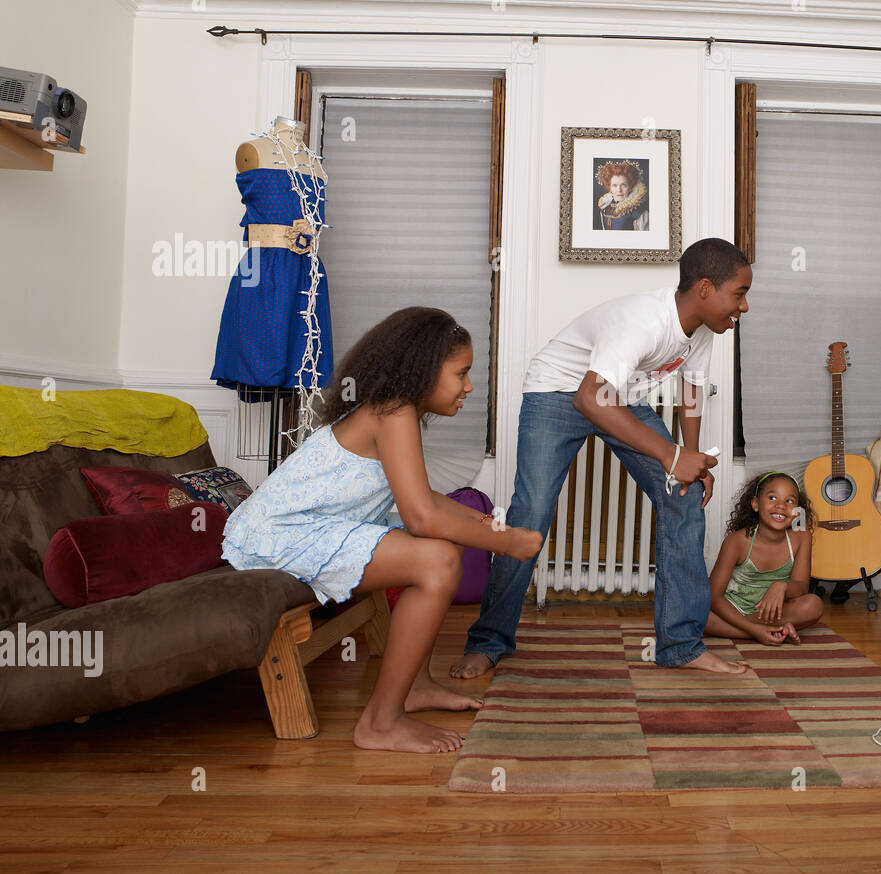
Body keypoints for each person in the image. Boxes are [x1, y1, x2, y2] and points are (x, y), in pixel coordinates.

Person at [222, 308, 543, 754]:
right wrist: (509, 543)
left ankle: (416, 686)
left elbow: (426, 500)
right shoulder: (392, 411)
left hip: (316, 527)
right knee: (439, 558)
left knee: (442, 544)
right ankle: (380, 722)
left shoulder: (394, 409)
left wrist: (487, 525)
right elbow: (422, 518)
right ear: (425, 370)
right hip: (281, 536)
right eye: (462, 373)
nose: (469, 386)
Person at [451, 238, 753, 679]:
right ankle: (489, 640)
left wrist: (690, 458)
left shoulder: (704, 328)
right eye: (740, 293)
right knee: (530, 514)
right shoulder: (644, 320)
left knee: (684, 496)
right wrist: (671, 455)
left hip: (621, 399)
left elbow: (691, 390)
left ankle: (681, 645)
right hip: (558, 393)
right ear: (705, 288)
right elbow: (590, 398)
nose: (744, 306)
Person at [706, 472, 825, 645]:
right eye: (772, 497)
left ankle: (746, 629)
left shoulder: (802, 536)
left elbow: (801, 587)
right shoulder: (736, 541)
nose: (781, 506)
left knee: (813, 605)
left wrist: (781, 586)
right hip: (730, 609)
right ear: (755, 504)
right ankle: (764, 632)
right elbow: (714, 597)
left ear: (798, 511)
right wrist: (754, 630)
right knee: (693, 612)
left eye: (789, 501)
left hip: (770, 613)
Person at [593, 160, 650, 230]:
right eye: (614, 185)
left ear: (630, 187)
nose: (619, 190)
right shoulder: (605, 209)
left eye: (623, 185)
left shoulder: (640, 213)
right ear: (610, 188)